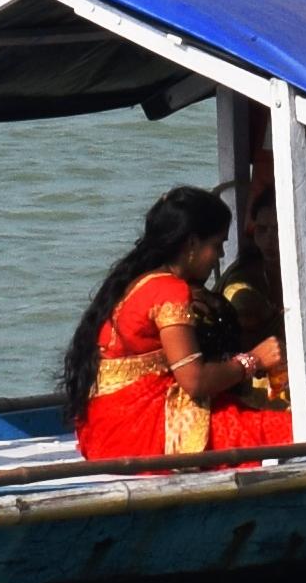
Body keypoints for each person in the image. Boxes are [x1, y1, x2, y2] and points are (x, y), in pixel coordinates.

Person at [62, 185, 287, 460]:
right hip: (137, 432)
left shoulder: (139, 280)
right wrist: (253, 360)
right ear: (192, 244)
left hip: (104, 428)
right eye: (216, 245)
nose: (218, 257)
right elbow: (194, 381)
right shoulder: (169, 290)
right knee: (290, 431)